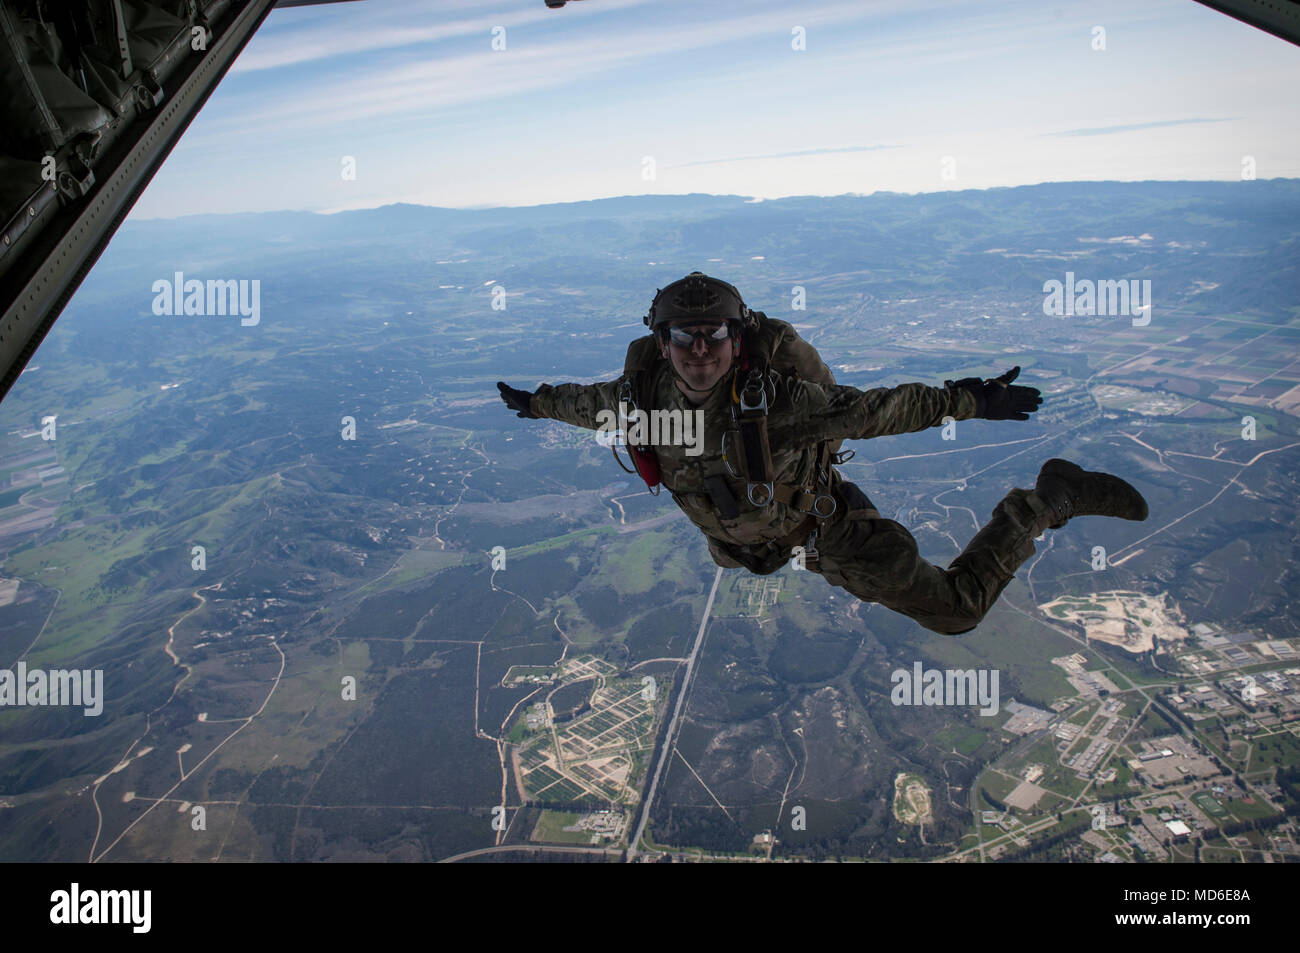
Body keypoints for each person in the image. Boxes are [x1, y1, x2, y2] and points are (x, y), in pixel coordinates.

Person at [497, 272, 1147, 635]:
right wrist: (534, 402)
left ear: (734, 336)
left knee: (955, 610)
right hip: (756, 544)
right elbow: (581, 404)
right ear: (661, 341)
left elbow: (873, 411)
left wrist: (970, 398)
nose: (700, 349)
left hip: (821, 527)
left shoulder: (774, 402)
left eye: (714, 333)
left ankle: (1049, 498)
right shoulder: (637, 399)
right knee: (756, 556)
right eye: (683, 336)